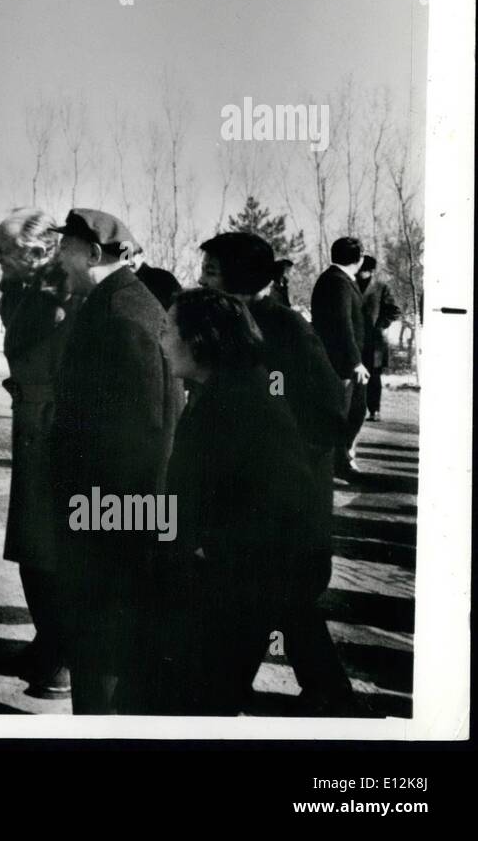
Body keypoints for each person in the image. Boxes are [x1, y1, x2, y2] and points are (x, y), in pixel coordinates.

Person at [198, 232, 363, 715]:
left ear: (240, 280)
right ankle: (331, 698)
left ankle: (219, 702)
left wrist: (278, 457)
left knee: (267, 601)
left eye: (211, 272)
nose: (202, 279)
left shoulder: (286, 329)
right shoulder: (231, 326)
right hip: (253, 508)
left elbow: (330, 411)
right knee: (288, 604)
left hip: (283, 506)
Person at [46, 209, 180, 713]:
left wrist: (111, 528)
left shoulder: (124, 315)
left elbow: (147, 435)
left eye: (66, 248)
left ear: (95, 254)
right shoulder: (110, 303)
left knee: (102, 649)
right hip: (106, 515)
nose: (58, 257)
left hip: (113, 524)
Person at [155, 288, 310, 715]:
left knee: (205, 702)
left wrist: (212, 547)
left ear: (200, 341)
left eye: (168, 330)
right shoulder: (215, 389)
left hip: (234, 591)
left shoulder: (244, 400)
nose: (161, 340)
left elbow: (285, 497)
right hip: (215, 584)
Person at [0, 208, 75, 698]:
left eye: (3, 250)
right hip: (31, 428)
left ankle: (63, 659)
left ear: (37, 251)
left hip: (57, 433)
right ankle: (48, 640)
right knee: (31, 546)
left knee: (54, 549)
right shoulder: (20, 293)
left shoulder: (68, 293)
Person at [311, 238, 369, 479]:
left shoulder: (335, 279)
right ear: (359, 259)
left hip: (339, 361)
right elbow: (342, 324)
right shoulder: (338, 282)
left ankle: (340, 460)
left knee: (353, 411)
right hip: (340, 363)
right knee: (346, 413)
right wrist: (355, 361)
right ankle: (338, 462)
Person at [357, 256, 401, 423]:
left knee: (374, 377)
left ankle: (374, 410)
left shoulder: (381, 287)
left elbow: (394, 311)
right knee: (354, 375)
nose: (360, 272)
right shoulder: (349, 285)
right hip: (354, 338)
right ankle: (355, 410)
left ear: (370, 271)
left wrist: (380, 325)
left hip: (374, 341)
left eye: (363, 270)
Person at [131, 245, 183, 311]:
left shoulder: (161, 276)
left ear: (142, 255)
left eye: (132, 255)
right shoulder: (124, 284)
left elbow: (177, 305)